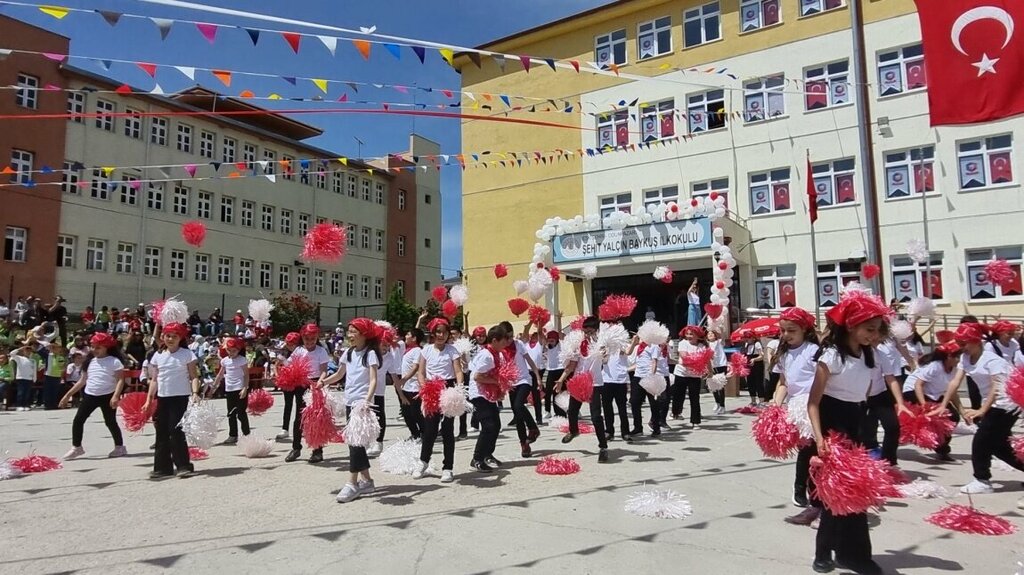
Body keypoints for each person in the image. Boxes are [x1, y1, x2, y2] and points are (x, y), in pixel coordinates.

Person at [807, 291, 890, 575]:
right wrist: (820, 440)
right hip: (833, 429)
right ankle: (824, 553)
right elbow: (813, 402)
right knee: (834, 497)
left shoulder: (870, 356)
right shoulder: (831, 357)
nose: (874, 335)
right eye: (869, 329)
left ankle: (853, 554)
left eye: (877, 330)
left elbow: (863, 394)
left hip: (856, 424)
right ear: (852, 326)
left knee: (856, 494)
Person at [932, 322, 1024, 495]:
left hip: (1006, 404)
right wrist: (943, 405)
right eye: (959, 344)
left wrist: (981, 410)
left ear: (976, 341)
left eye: (964, 344)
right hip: (993, 404)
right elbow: (954, 382)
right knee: (999, 446)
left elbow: (996, 388)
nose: (961, 348)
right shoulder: (966, 359)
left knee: (981, 440)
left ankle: (982, 479)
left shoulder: (993, 360)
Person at [318, 318, 382, 503]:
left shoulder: (369, 354)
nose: (350, 335)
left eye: (354, 332)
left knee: (355, 444)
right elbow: (339, 374)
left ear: (364, 335)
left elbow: (373, 380)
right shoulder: (348, 352)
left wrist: (366, 402)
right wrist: (323, 382)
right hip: (349, 402)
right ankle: (368, 481)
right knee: (355, 443)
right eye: (349, 331)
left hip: (360, 406)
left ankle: (352, 483)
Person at [768, 307, 821, 524]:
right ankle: (801, 488)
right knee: (806, 451)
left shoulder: (814, 351)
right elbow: (783, 383)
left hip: (815, 405)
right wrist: (776, 406)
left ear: (805, 330)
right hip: (796, 408)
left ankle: (815, 495)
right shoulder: (783, 354)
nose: (786, 335)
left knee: (816, 452)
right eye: (783, 331)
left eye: (792, 330)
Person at [59, 332, 128, 459]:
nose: (94, 350)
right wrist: (67, 395)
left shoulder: (114, 361)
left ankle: (120, 447)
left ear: (107, 347)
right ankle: (77, 447)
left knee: (110, 422)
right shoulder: (89, 362)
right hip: (90, 395)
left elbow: (120, 380)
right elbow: (82, 380)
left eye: (98, 347)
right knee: (78, 420)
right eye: (92, 347)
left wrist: (116, 396)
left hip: (108, 395)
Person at [145, 322, 200, 479]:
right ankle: (162, 468)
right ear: (163, 337)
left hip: (180, 397)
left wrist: (195, 392)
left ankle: (183, 465)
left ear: (180, 338)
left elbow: (194, 376)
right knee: (161, 433)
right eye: (168, 336)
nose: (170, 339)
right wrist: (149, 399)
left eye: (174, 336)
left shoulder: (186, 354)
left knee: (176, 432)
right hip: (163, 398)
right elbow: (154, 379)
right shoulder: (158, 355)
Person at [415, 318, 464, 482]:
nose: (441, 335)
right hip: (431, 388)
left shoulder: (452, 350)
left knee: (448, 429)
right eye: (438, 331)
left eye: (444, 332)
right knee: (429, 430)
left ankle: (448, 468)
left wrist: (458, 389)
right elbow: (421, 372)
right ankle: (423, 462)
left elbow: (458, 371)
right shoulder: (426, 350)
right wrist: (424, 388)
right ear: (433, 333)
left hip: (448, 389)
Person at [556, 316, 609, 463]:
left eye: (590, 331)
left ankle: (603, 447)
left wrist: (604, 353)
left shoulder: (602, 344)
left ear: (597, 331)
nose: (587, 334)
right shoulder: (578, 345)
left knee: (596, 417)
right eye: (585, 331)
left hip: (595, 384)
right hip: (579, 383)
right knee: (572, 411)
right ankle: (574, 431)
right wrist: (560, 380)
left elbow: (605, 358)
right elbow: (571, 366)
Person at [902, 342, 962, 459]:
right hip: (913, 391)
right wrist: (924, 405)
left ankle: (941, 447)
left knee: (954, 417)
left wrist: (963, 412)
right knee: (933, 418)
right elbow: (918, 385)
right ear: (949, 356)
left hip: (933, 394)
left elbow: (952, 392)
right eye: (958, 357)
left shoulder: (955, 370)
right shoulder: (935, 366)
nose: (960, 360)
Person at [468, 325, 512, 472]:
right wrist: (498, 382)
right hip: (479, 394)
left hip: (487, 393)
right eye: (503, 341)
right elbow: (477, 376)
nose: (506, 344)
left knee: (496, 425)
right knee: (488, 426)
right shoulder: (486, 355)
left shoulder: (495, 354)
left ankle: (487, 454)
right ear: (494, 340)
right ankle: (477, 458)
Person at [285, 324, 330, 463]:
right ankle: (296, 448)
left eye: (312, 338)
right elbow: (289, 365)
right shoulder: (298, 350)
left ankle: (317, 450)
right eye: (306, 339)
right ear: (302, 338)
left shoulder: (321, 351)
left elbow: (323, 370)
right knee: (299, 417)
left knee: (316, 418)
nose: (309, 341)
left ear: (317, 337)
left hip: (316, 384)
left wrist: (320, 382)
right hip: (301, 384)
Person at [502, 320, 542, 457]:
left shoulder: (518, 345)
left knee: (519, 405)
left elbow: (530, 361)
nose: (509, 340)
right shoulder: (499, 350)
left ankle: (533, 428)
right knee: (517, 415)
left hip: (524, 380)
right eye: (507, 337)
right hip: (511, 384)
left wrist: (537, 376)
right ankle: (524, 444)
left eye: (511, 336)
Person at [212, 337, 250, 444]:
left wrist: (244, 388)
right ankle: (233, 435)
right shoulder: (224, 361)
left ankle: (246, 434)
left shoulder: (242, 360)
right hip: (229, 389)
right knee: (231, 413)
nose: (232, 353)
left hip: (239, 388)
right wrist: (214, 386)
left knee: (241, 413)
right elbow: (220, 374)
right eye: (229, 350)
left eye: (234, 350)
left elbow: (246, 375)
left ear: (238, 350)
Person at [628, 333, 665, 437]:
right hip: (637, 377)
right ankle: (638, 427)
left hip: (649, 376)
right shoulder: (638, 347)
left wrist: (652, 377)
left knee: (654, 403)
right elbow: (636, 362)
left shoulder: (654, 346)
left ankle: (656, 427)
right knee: (634, 402)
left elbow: (654, 362)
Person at [673, 325, 710, 427]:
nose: (688, 336)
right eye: (687, 334)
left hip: (695, 376)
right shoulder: (682, 343)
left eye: (691, 334)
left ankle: (695, 421)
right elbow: (684, 357)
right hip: (681, 373)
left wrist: (707, 370)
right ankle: (676, 412)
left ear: (697, 336)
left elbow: (706, 360)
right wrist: (697, 361)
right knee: (678, 396)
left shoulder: (702, 346)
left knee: (695, 398)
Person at [396, 328, 426, 440]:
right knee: (406, 413)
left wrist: (404, 379)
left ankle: (424, 433)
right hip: (406, 387)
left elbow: (415, 367)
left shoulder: (418, 350)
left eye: (408, 334)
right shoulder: (407, 350)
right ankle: (415, 433)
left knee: (416, 413)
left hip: (414, 387)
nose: (406, 336)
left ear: (414, 338)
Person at [276, 332, 301, 440]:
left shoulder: (302, 352)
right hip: (287, 382)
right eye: (289, 344)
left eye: (293, 344)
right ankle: (285, 428)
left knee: (300, 405)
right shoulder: (284, 353)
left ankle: (300, 428)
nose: (290, 346)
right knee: (288, 405)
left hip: (299, 381)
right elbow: (276, 365)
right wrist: (278, 377)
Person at [543, 329, 565, 419]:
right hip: (550, 371)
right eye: (549, 340)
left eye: (552, 341)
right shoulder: (547, 347)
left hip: (560, 370)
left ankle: (559, 412)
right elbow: (541, 335)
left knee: (558, 393)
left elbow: (560, 334)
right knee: (548, 392)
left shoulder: (560, 346)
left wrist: (558, 319)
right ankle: (547, 411)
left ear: (557, 341)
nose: (550, 342)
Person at [41, 341, 68, 410]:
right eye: (54, 348)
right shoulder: (48, 355)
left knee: (55, 391)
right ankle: (47, 404)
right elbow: (40, 350)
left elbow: (62, 367)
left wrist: (61, 377)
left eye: (57, 348)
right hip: (48, 375)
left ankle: (53, 404)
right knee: (47, 391)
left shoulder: (61, 357)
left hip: (57, 376)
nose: (56, 349)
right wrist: (48, 346)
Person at [741, 330, 765, 406]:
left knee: (758, 382)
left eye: (748, 338)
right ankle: (753, 400)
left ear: (753, 338)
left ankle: (761, 401)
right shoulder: (746, 345)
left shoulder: (757, 344)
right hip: (749, 365)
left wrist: (754, 359)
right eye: (745, 338)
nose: (746, 339)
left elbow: (762, 356)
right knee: (750, 382)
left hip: (757, 365)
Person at [11, 343, 37, 411]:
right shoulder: (19, 358)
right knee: (21, 392)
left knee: (27, 393)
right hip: (21, 378)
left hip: (29, 379)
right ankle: (19, 405)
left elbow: (34, 370)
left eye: (29, 351)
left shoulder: (33, 361)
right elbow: (12, 354)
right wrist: (20, 349)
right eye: (26, 350)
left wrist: (34, 378)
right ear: (23, 351)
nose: (28, 352)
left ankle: (26, 405)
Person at [708, 329, 728, 414]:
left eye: (712, 333)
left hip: (721, 365)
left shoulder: (719, 342)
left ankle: (722, 405)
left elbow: (723, 336)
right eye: (708, 334)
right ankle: (717, 403)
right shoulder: (707, 344)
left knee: (720, 386)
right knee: (713, 385)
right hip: (712, 366)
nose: (710, 335)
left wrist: (719, 327)